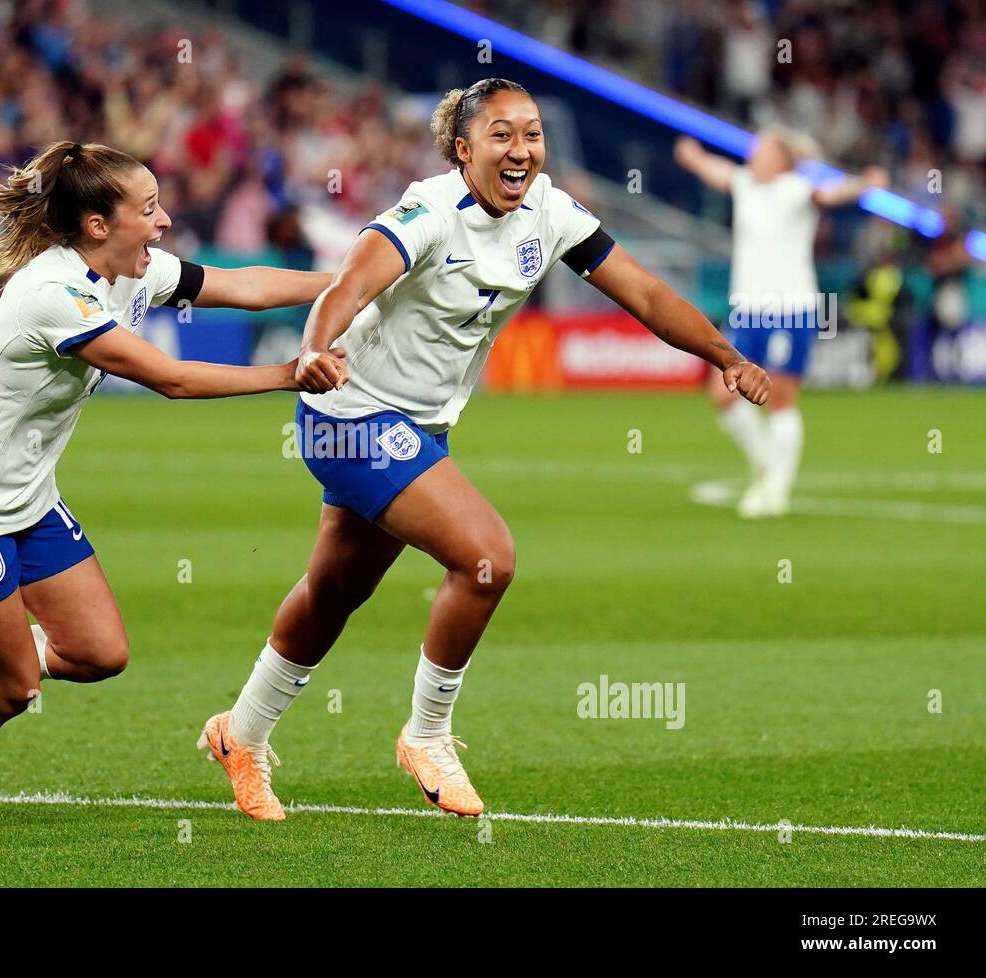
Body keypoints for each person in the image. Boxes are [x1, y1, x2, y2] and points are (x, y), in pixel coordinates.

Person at [197, 79, 769, 821]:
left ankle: (240, 736)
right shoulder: (428, 211)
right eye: (502, 135)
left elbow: (648, 296)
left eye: (531, 133)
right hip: (351, 412)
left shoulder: (551, 212)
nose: (522, 149)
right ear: (463, 150)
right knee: (485, 557)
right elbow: (348, 282)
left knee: (334, 592)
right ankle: (427, 736)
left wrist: (724, 355)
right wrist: (315, 346)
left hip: (420, 424)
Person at [0, 141, 333, 831]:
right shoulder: (54, 294)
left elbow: (243, 286)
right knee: (10, 688)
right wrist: (287, 373)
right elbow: (171, 379)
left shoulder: (130, 270)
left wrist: (351, 278)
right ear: (97, 225)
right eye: (148, 210)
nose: (164, 221)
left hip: (25, 500)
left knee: (96, 653)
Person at [675, 129, 887, 517]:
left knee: (780, 399)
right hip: (747, 309)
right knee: (723, 395)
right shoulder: (745, 185)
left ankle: (775, 490)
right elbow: (719, 171)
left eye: (762, 151)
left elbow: (829, 194)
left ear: (782, 160)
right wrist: (693, 157)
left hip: (791, 309)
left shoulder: (793, 188)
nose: (753, 156)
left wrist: (863, 186)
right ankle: (764, 463)